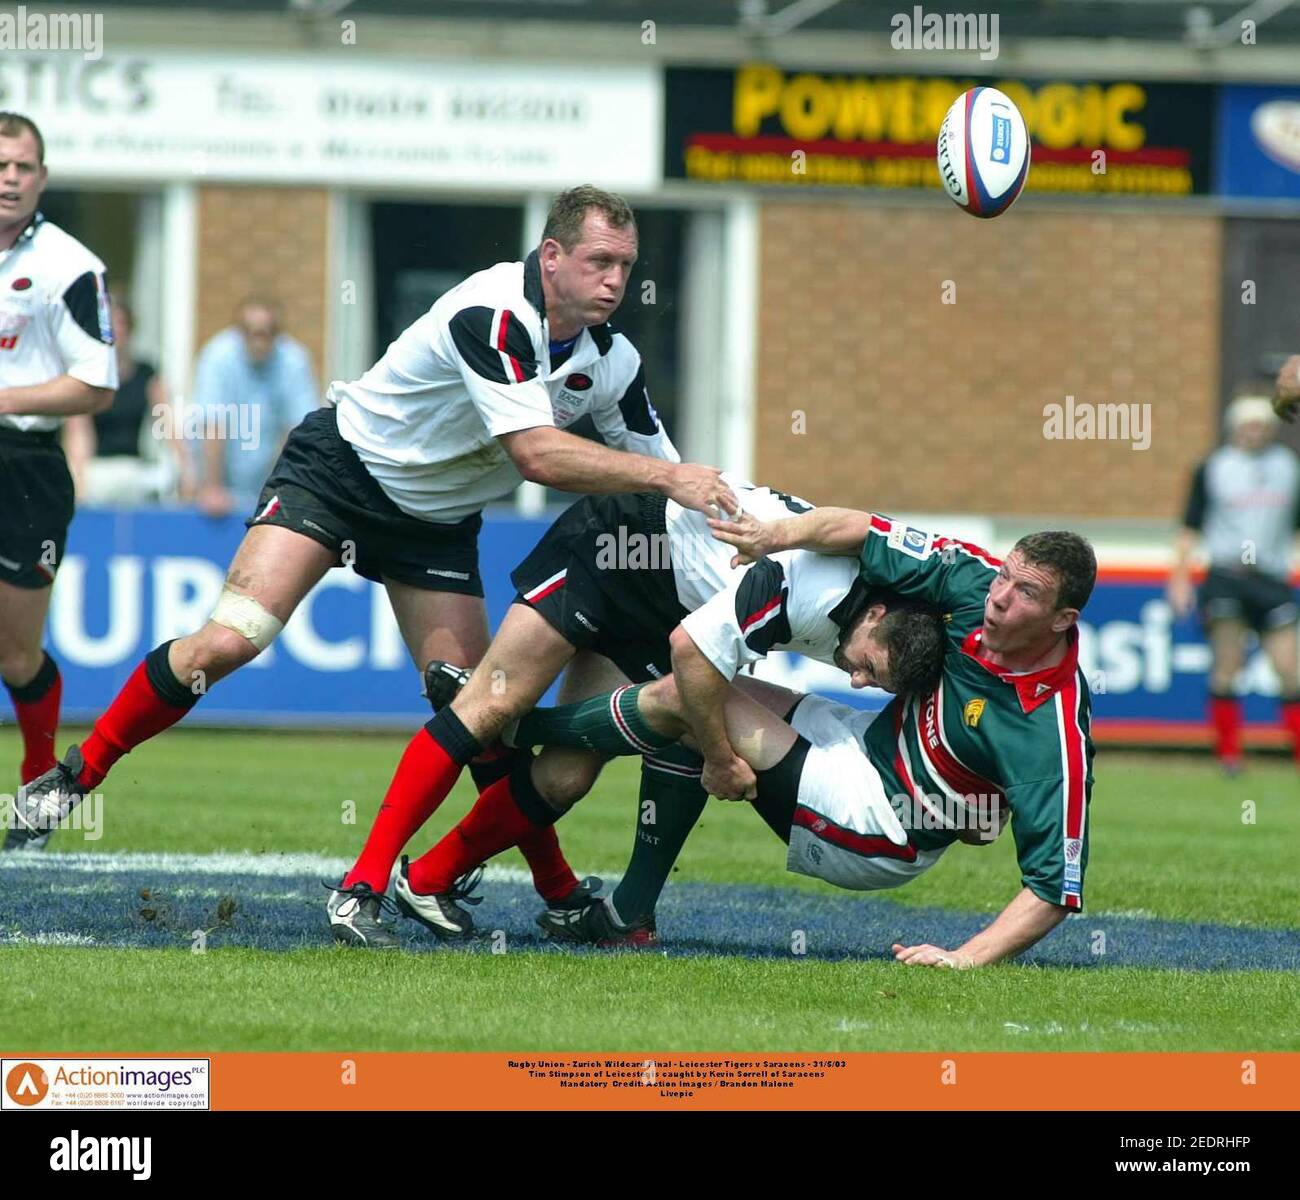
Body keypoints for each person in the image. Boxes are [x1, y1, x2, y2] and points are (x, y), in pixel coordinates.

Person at [6, 186, 735, 951]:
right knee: (229, 642)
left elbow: (667, 473)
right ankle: (77, 775)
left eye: (625, 264)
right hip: (340, 475)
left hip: (437, 524)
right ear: (551, 257)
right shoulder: (492, 313)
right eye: (599, 261)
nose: (616, 280)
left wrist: (735, 538)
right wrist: (666, 481)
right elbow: (538, 455)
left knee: (481, 711)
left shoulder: (612, 359)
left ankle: (534, 892)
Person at [341, 477, 947, 948]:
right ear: (872, 618)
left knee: (568, 775)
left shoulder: (898, 604)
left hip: (674, 602)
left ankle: (427, 880)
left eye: (870, 680)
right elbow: (691, 655)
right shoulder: (805, 593)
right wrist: (720, 761)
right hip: (617, 546)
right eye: (867, 664)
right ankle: (360, 888)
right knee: (491, 705)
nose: (855, 678)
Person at [496, 510, 1098, 968]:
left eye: (1026, 593)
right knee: (699, 685)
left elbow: (1053, 888)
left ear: (1062, 620)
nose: (999, 597)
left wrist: (963, 959)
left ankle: (512, 727)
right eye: (1006, 576)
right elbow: (864, 530)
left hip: (878, 823)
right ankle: (628, 911)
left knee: (691, 696)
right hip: (861, 743)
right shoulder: (974, 584)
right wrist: (773, 536)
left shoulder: (1051, 727)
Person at [0, 112, 117, 796]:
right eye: (0, 165)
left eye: (22, 167)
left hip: (28, 469)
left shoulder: (69, 266)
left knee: (15, 654)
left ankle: (38, 772)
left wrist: (6, 400)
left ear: (41, 179)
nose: (9, 178)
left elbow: (97, 386)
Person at [1168, 395, 1300, 773]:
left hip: (1272, 578)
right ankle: (1229, 756)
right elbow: (1189, 529)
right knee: (1228, 664)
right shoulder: (1213, 467)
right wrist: (1179, 580)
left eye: (1261, 425)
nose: (1254, 432)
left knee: (1289, 668)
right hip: (1226, 577)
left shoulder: (1288, 468)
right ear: (1235, 427)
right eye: (1248, 424)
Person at [189, 297, 319, 518]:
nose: (258, 340)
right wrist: (212, 487)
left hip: (267, 476)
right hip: (221, 477)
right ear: (238, 332)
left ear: (277, 333)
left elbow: (296, 431)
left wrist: (279, 487)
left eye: (266, 332)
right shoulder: (217, 356)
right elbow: (213, 426)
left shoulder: (294, 360)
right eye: (251, 332)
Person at [64, 296, 192, 506]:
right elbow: (79, 433)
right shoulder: (87, 375)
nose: (118, 331)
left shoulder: (147, 373)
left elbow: (167, 424)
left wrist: (185, 470)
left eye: (122, 324)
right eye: (112, 324)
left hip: (136, 468)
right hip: (98, 469)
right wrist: (79, 482)